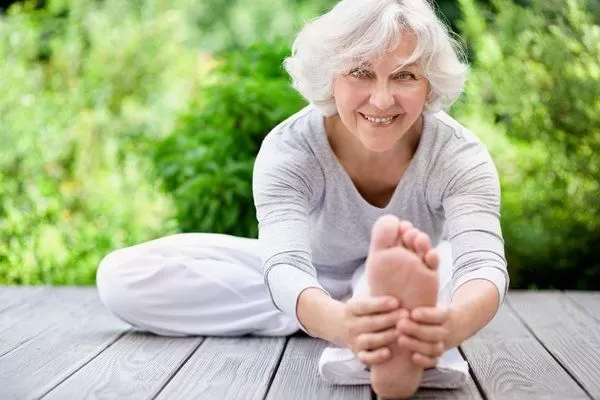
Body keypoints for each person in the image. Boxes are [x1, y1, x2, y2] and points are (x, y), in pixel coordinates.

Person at [96, 0, 508, 398]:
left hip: (423, 267)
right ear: (329, 75)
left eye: (404, 76)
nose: (382, 99)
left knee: (449, 262)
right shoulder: (290, 149)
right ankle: (368, 324)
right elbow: (286, 262)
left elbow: (483, 263)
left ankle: (385, 323)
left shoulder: (458, 155)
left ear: (430, 83)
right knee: (121, 276)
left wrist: (453, 323)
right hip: (314, 272)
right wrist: (338, 320)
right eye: (360, 73)